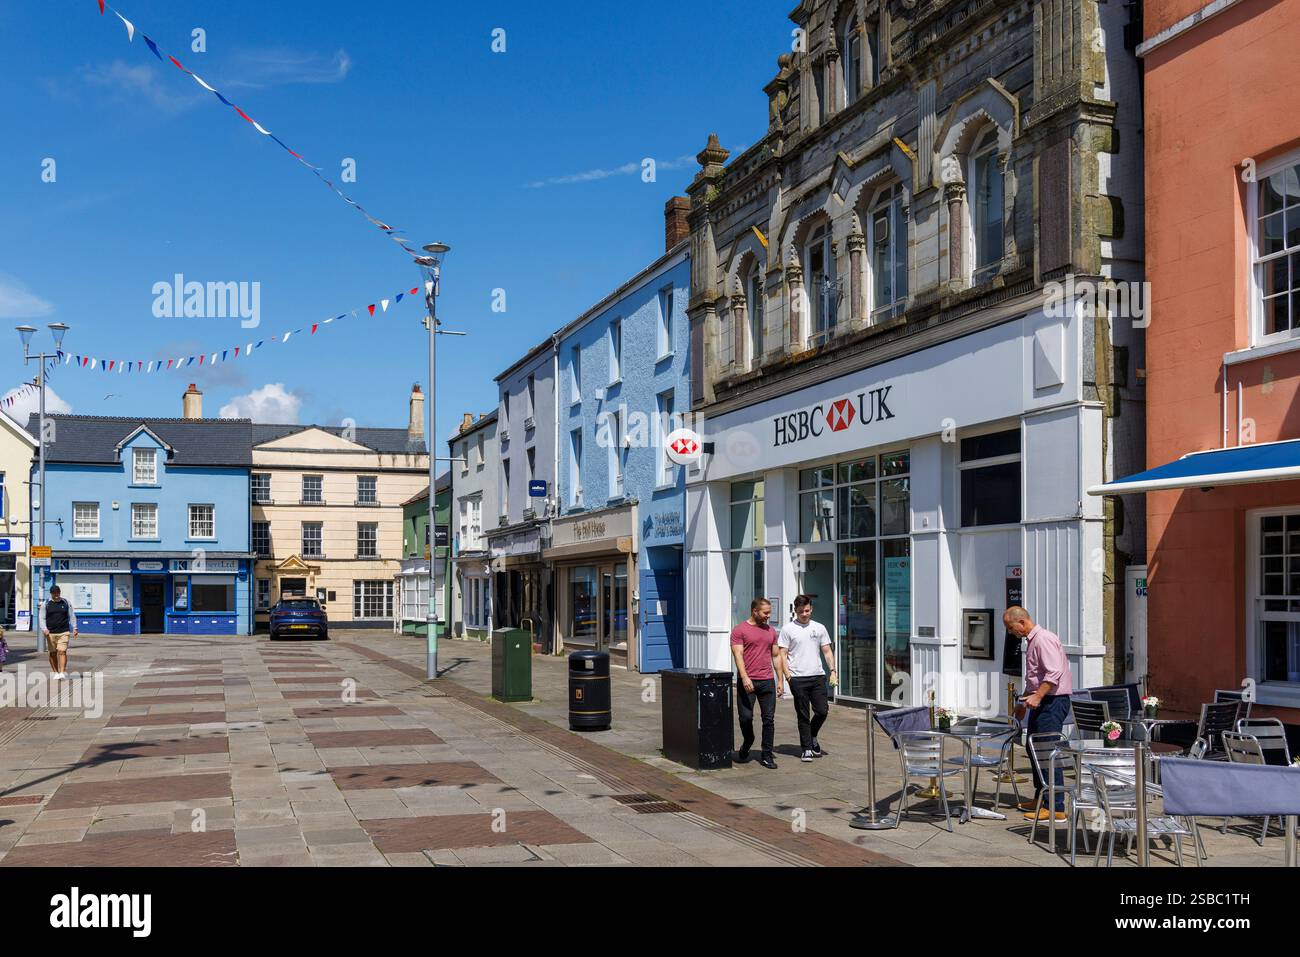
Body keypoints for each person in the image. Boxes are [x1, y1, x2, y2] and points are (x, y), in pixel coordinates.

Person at [1006, 605, 1072, 822]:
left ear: (1022, 622)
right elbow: (1035, 677)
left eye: (1011, 627)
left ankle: (1056, 807)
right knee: (1032, 747)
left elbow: (1053, 673)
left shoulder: (1043, 639)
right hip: (1042, 700)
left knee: (1047, 751)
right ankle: (1041, 796)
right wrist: (1024, 702)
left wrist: (1038, 696)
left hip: (1052, 702)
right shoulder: (1033, 640)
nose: (1010, 632)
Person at [778, 594, 837, 762]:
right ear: (795, 611)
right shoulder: (788, 629)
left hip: (818, 676)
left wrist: (833, 670)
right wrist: (787, 676)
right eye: (800, 611)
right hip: (797, 678)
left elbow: (826, 651)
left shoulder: (819, 628)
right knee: (803, 714)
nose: (804, 614)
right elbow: (782, 654)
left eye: (807, 610)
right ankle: (806, 749)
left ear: (811, 609)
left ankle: (812, 735)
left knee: (822, 711)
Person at [730, 598, 783, 769]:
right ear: (754, 611)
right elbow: (738, 655)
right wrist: (745, 677)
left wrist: (780, 680)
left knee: (769, 719)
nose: (768, 616)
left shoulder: (771, 631)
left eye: (769, 612)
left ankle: (766, 755)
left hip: (767, 681)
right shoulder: (739, 630)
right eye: (765, 613)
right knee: (745, 718)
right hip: (748, 681)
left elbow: (776, 656)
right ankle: (748, 740)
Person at [41, 585, 78, 681]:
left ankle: (62, 672)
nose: (56, 594)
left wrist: (75, 628)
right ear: (51, 593)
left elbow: (72, 615)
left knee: (62, 651)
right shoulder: (46, 604)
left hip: (64, 632)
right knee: (53, 653)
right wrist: (44, 629)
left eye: (58, 592)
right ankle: (56, 672)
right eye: (54, 593)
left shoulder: (65, 602)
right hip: (51, 633)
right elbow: (42, 618)